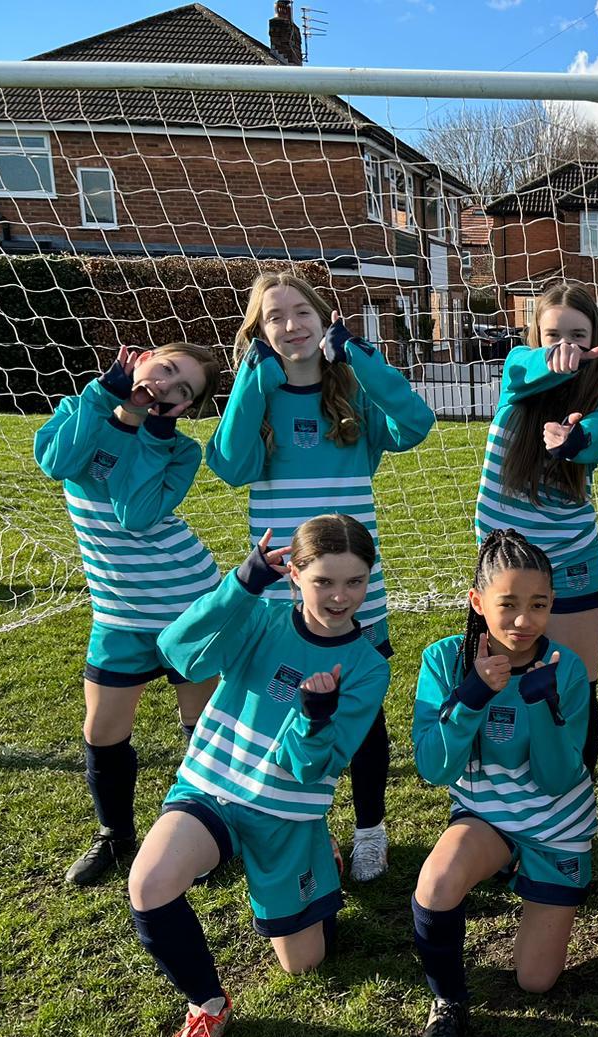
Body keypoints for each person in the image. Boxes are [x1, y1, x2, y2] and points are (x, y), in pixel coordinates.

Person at [127, 515, 390, 1037]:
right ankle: (207, 1005)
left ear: (370, 579)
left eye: (355, 582)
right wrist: (237, 587)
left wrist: (314, 716)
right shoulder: (260, 616)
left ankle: (319, 860)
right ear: (293, 575)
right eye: (324, 582)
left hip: (288, 812)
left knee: (305, 965)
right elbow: (177, 652)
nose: (341, 597)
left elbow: (313, 765)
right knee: (149, 886)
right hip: (213, 789)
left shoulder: (368, 666)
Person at [208, 270, 434, 881]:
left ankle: (369, 830)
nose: (290, 326)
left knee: (361, 709)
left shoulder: (352, 392)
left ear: (323, 317)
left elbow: (416, 424)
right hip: (283, 581)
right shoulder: (257, 394)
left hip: (354, 580)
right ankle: (288, 819)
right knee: (281, 700)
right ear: (257, 332)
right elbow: (229, 466)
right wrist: (252, 383)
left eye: (301, 312)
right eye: (274, 317)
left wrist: (361, 358)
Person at [34, 341, 225, 885]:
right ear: (137, 359)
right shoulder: (81, 410)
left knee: (202, 728)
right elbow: (57, 463)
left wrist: (150, 432)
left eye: (183, 390)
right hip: (117, 612)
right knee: (103, 730)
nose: (167, 386)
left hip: (187, 605)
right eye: (165, 369)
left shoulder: (179, 451)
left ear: (187, 408)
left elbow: (134, 512)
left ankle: (204, 832)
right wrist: (112, 406)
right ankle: (116, 838)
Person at [408, 529, 596, 1037]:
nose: (522, 621)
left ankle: (529, 872)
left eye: (538, 605)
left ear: (552, 604)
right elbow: (433, 768)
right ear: (477, 602)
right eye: (507, 605)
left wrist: (542, 707)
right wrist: (471, 697)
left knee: (535, 981)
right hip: (487, 816)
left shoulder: (567, 668)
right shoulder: (446, 660)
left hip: (557, 825)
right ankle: (447, 1004)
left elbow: (561, 778)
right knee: (436, 883)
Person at [474, 283, 598, 774]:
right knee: (501, 679)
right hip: (506, 569)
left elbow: (596, 436)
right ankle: (502, 790)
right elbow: (521, 365)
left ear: (596, 341)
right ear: (535, 336)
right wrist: (549, 362)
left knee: (573, 684)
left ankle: (575, 794)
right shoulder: (515, 381)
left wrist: (571, 438)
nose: (567, 346)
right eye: (553, 334)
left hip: (572, 563)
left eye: (578, 336)